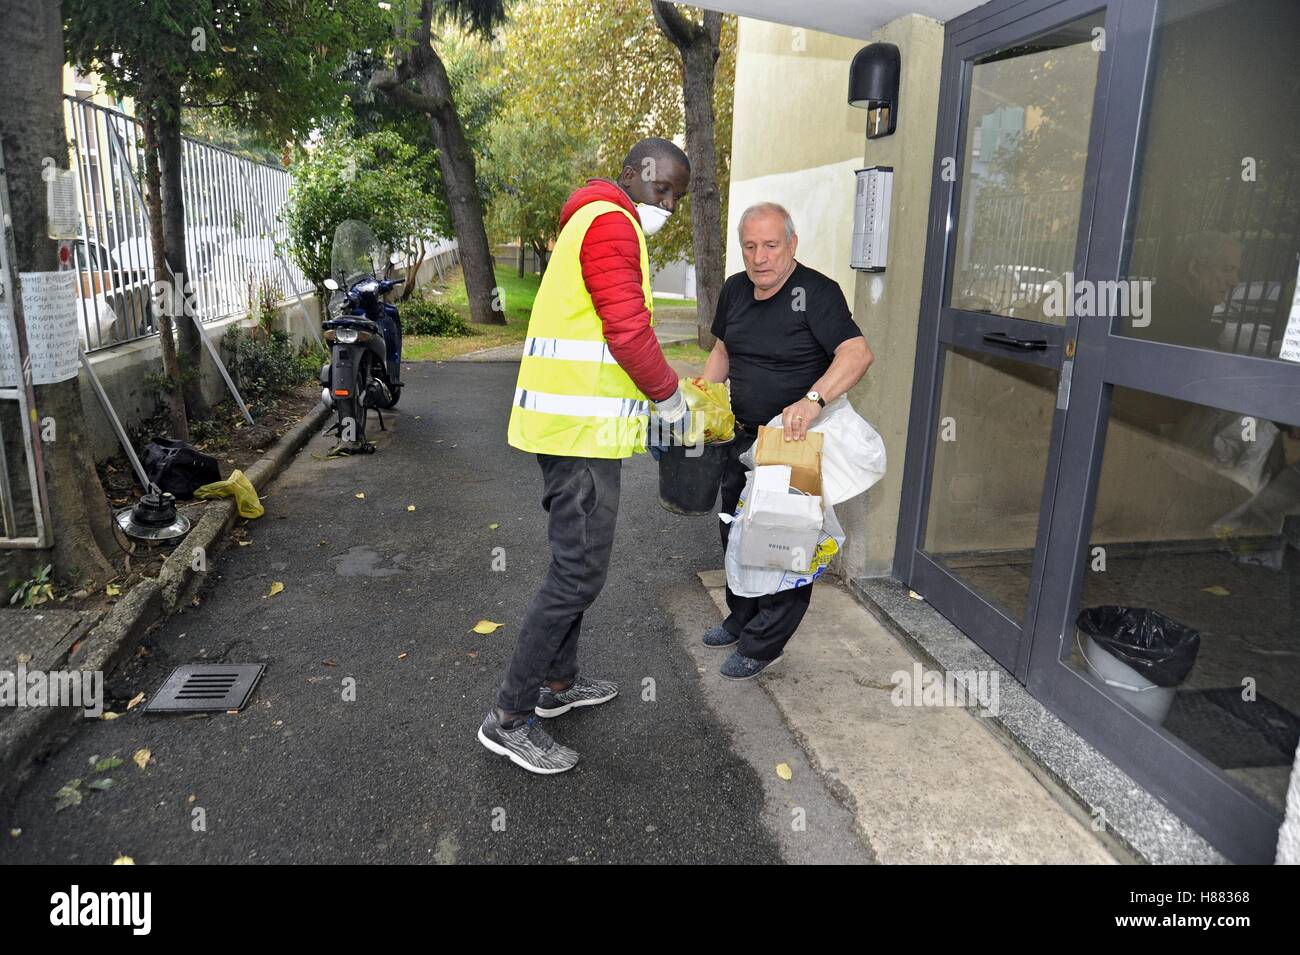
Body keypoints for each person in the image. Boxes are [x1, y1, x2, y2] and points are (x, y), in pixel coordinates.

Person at [478, 138, 692, 774]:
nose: (669, 203)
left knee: (575, 565)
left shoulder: (594, 221)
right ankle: (509, 716)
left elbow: (608, 332)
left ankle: (556, 687)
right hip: (576, 439)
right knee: (577, 573)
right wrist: (670, 398)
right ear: (631, 176)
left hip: (575, 433)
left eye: (678, 195)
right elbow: (626, 330)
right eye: (662, 188)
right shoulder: (611, 224)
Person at [699, 202, 873, 679]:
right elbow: (723, 350)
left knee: (783, 546)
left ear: (792, 245)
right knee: (734, 530)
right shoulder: (735, 290)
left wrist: (813, 399)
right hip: (741, 438)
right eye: (750, 247)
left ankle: (764, 644)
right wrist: (704, 401)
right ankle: (742, 617)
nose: (760, 257)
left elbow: (857, 353)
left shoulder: (817, 293)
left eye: (771, 245)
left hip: (793, 442)